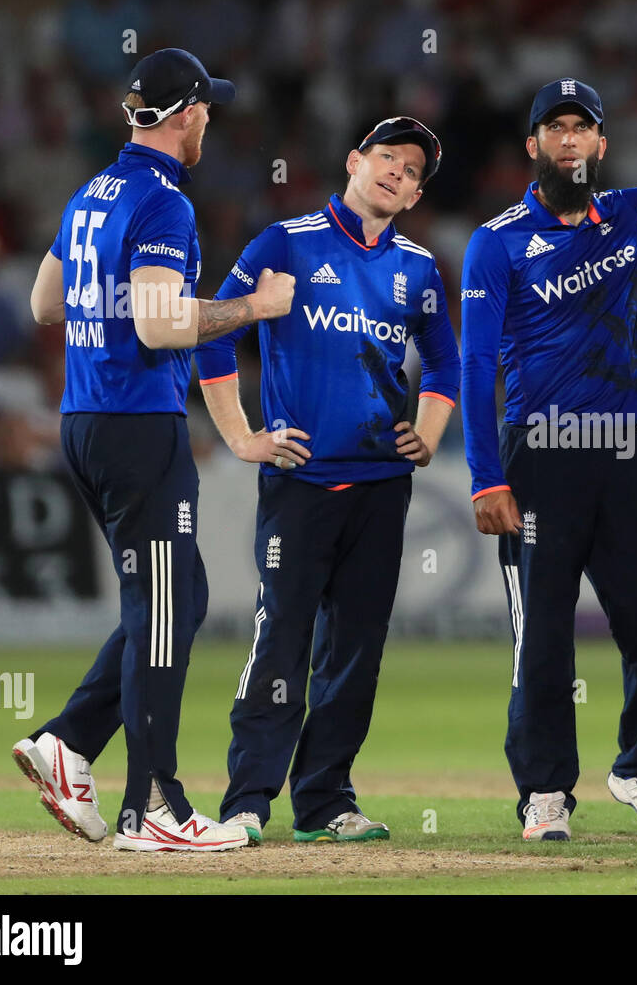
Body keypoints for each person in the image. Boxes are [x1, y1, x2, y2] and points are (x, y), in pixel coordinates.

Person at [14, 48, 294, 852]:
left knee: (177, 597)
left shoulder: (92, 192)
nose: (211, 121)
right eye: (207, 108)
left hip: (85, 418)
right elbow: (159, 324)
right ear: (186, 114)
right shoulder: (164, 202)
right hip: (139, 424)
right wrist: (254, 306)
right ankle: (154, 806)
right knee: (167, 609)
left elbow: (43, 304)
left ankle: (68, 743)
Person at [194, 117, 459, 845]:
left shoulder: (417, 267)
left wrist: (429, 435)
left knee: (356, 651)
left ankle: (324, 801)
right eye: (386, 159)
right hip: (301, 482)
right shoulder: (284, 243)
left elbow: (445, 363)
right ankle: (247, 800)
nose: (397, 175)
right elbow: (213, 330)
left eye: (411, 172)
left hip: (381, 487)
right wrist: (243, 437)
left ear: (413, 196)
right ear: (353, 161)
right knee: (281, 640)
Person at [461, 78, 637, 842]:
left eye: (583, 128)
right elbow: (475, 367)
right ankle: (544, 791)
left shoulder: (626, 215)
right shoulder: (497, 241)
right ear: (533, 145)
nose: (569, 140)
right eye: (555, 128)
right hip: (537, 457)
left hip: (618, 452)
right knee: (542, 637)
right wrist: (485, 476)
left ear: (601, 144)